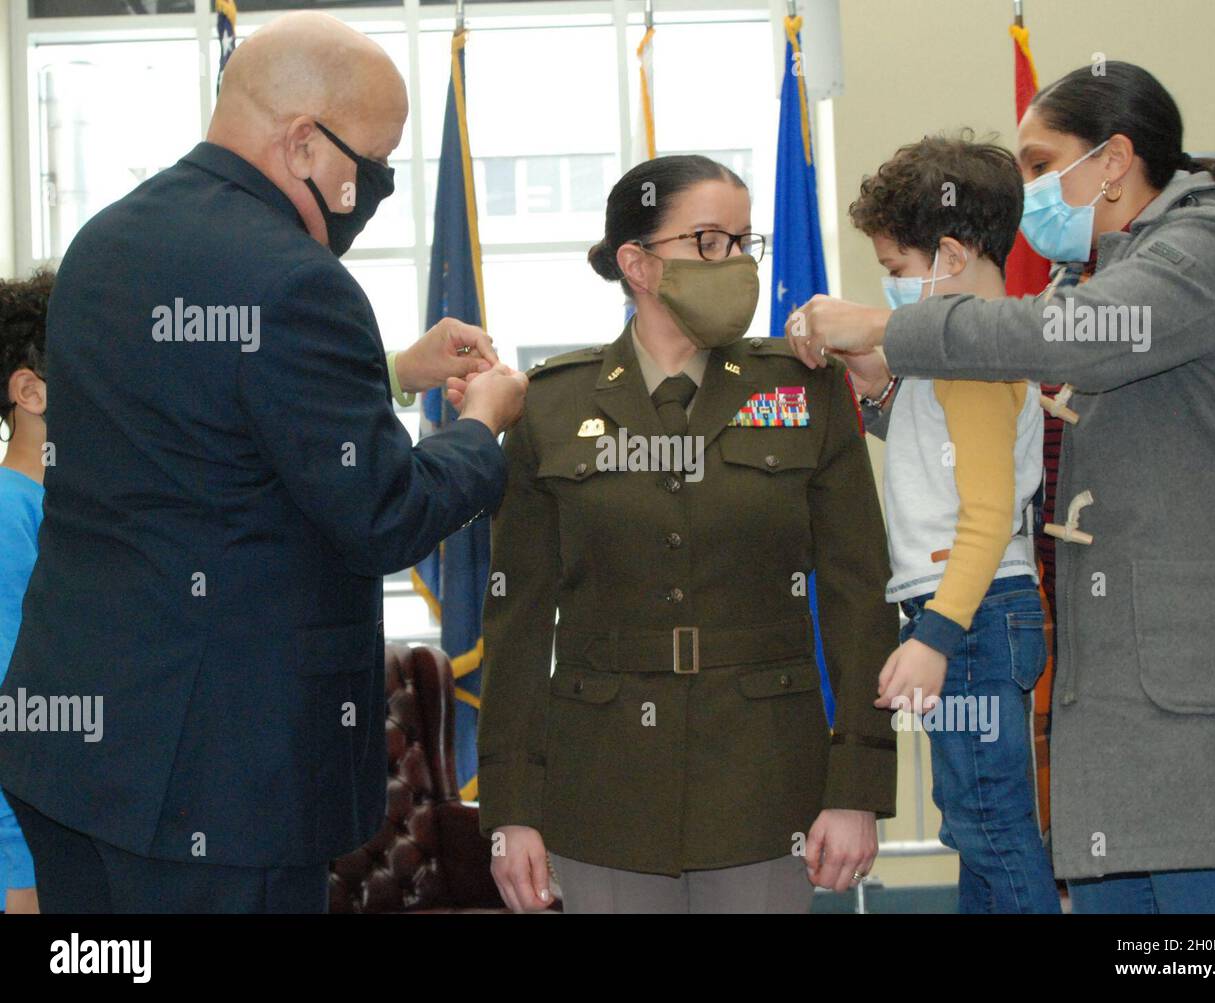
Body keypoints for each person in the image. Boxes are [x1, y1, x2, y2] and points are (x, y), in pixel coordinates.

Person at [0, 12, 527, 914]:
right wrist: (480, 427)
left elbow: (208, 412)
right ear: (303, 143)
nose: (373, 191)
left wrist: (392, 372)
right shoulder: (297, 278)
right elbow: (385, 513)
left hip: (77, 763)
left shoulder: (106, 241)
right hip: (216, 785)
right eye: (373, 165)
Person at [788, 62, 1215, 913]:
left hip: (1195, 676)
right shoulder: (1089, 273)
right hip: (1108, 668)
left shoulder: (1204, 244)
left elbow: (1071, 338)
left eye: (1039, 164)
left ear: (1114, 159)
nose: (1028, 192)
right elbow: (986, 448)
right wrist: (883, 393)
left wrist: (888, 324)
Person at [464, 155, 898, 914]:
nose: (735, 262)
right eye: (708, 241)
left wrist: (858, 784)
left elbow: (860, 596)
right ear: (637, 264)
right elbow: (518, 620)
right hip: (602, 790)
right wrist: (511, 807)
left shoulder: (803, 389)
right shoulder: (550, 405)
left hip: (768, 785)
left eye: (743, 241)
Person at [846, 134, 1059, 913]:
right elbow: (938, 458)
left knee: (990, 824)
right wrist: (877, 391)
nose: (890, 286)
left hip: (970, 612)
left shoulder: (968, 355)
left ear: (951, 255)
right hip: (974, 610)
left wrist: (935, 636)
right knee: (976, 825)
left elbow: (988, 513)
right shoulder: (957, 351)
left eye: (896, 268)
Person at [0, 271, 55, 917]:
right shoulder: (8, 512)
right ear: (30, 392)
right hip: (25, 848)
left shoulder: (68, 509)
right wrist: (18, 872)